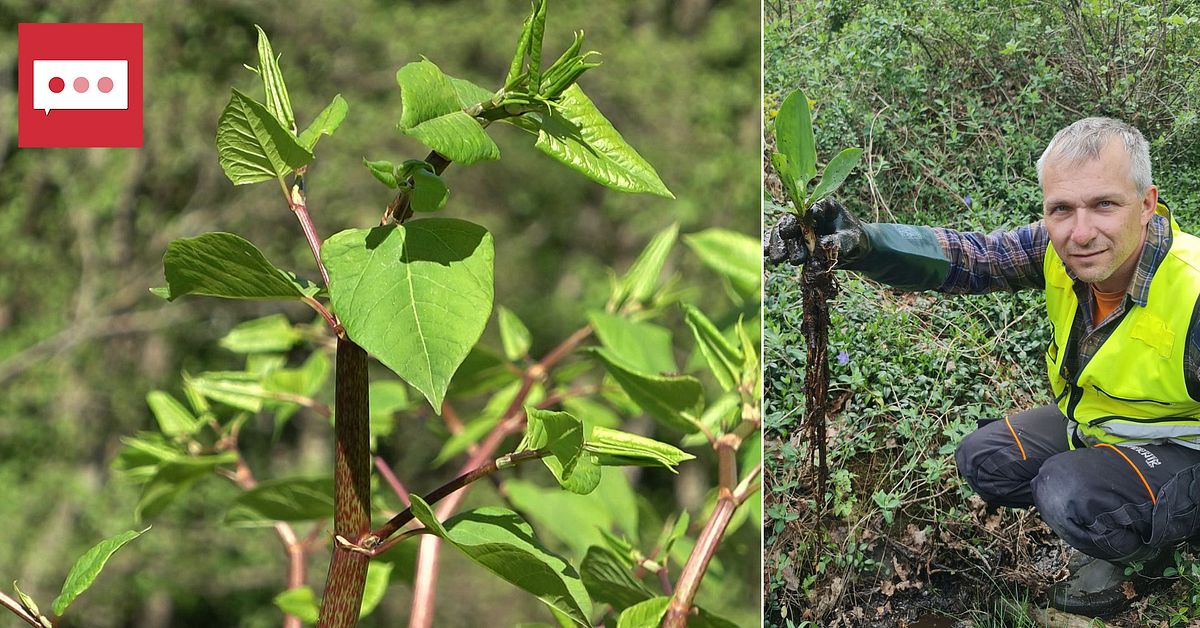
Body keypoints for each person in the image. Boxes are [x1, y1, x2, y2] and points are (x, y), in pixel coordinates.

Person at [765, 117, 1200, 619]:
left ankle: (1148, 555)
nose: (1080, 233)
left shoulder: (1190, 291)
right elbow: (975, 258)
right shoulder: (1056, 250)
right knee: (985, 459)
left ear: (1146, 204)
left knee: (1066, 490)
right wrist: (861, 242)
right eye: (1061, 209)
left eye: (1104, 204)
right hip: (1098, 423)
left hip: (1183, 447)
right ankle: (1121, 502)